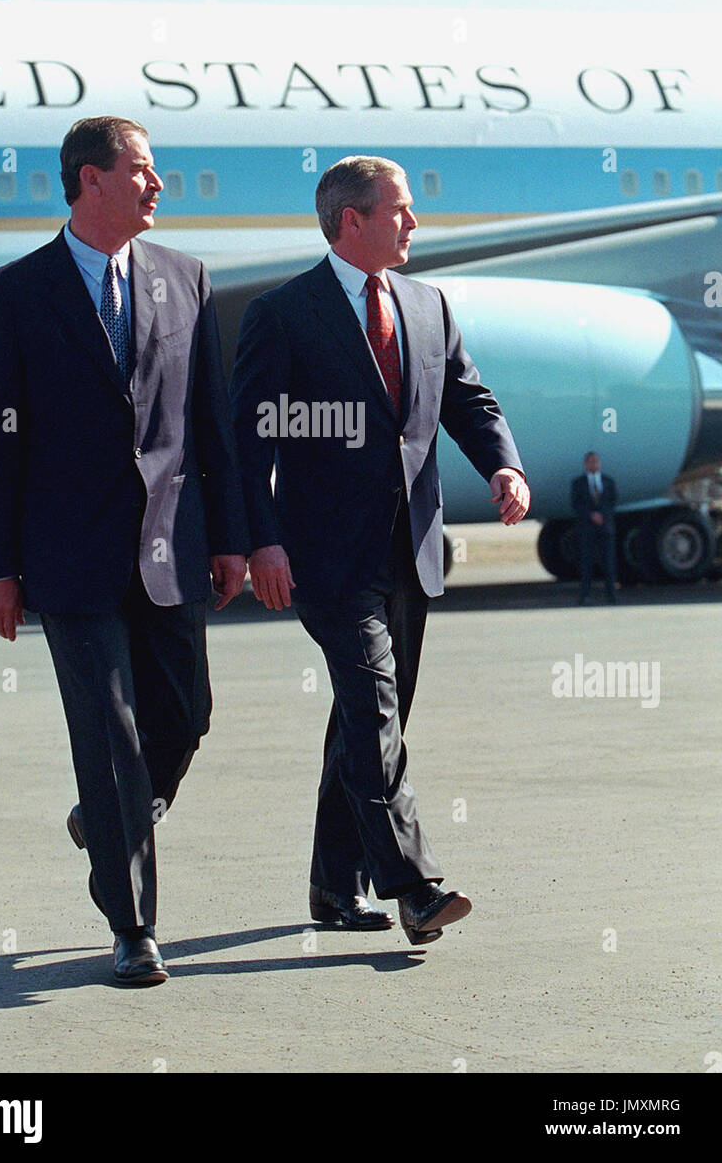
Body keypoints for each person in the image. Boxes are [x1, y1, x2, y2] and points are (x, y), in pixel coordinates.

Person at [0, 116, 249, 986]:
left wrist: (232, 538)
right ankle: (134, 928)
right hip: (68, 560)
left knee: (187, 715)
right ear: (91, 180)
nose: (156, 185)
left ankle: (108, 815)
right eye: (142, 171)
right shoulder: (14, 294)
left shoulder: (186, 279)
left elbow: (211, 423)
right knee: (110, 735)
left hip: (174, 550)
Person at [230, 155, 530, 945]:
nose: (413, 223)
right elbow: (245, 442)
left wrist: (502, 463)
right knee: (373, 716)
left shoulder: (428, 304)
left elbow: (467, 397)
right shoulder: (282, 313)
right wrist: (259, 540)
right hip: (323, 555)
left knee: (363, 724)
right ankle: (412, 886)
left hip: (412, 548)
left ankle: (333, 886)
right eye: (398, 209)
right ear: (349, 220)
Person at [571, 451, 618, 604]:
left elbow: (613, 501)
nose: (594, 464)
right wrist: (591, 515)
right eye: (591, 462)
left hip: (605, 528)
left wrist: (602, 515)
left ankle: (611, 595)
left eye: (596, 461)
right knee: (586, 563)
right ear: (586, 464)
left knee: (608, 563)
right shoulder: (578, 483)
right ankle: (584, 595)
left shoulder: (608, 481)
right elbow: (576, 504)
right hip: (587, 529)